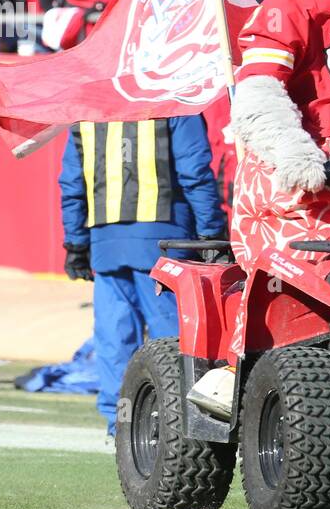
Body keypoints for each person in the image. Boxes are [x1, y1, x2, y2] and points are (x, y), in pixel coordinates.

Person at [60, 114, 228, 434]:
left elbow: (72, 181)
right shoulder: (176, 102)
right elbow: (194, 171)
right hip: (166, 243)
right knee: (173, 339)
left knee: (115, 339)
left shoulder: (89, 111)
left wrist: (76, 243)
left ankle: (120, 423)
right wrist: (211, 233)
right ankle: (176, 420)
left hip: (106, 244)